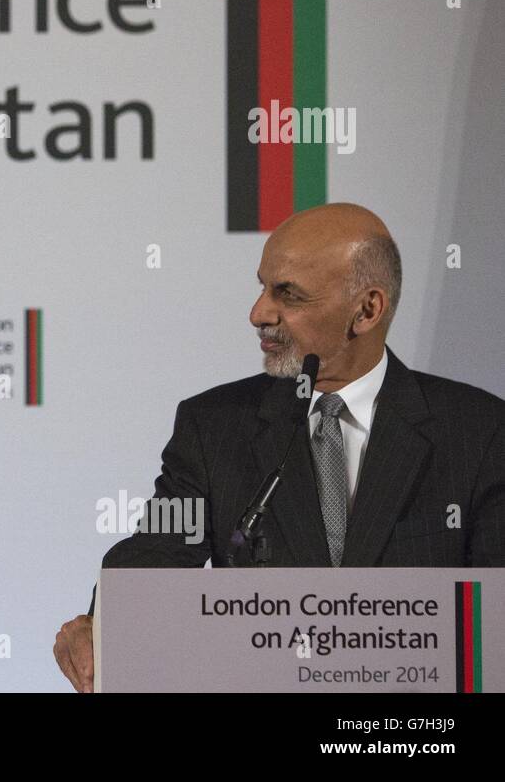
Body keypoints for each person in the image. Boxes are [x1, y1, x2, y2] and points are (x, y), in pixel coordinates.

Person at [53, 203, 505, 691]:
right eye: (263, 287)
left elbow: (494, 620)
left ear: (367, 309)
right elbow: (155, 550)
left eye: (287, 295)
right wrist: (106, 622)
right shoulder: (213, 425)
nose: (258, 313)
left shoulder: (479, 432)